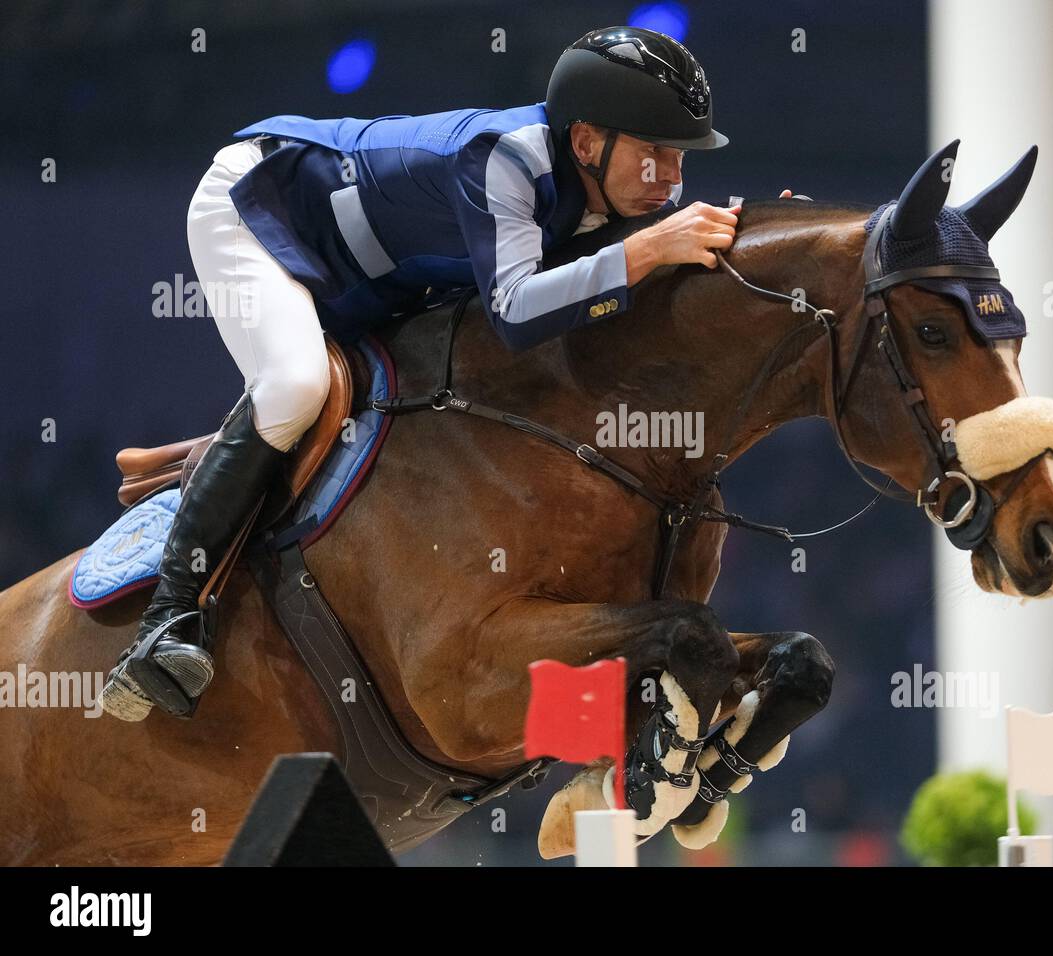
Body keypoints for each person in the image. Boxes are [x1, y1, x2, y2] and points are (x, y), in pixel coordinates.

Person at [99, 25, 797, 722]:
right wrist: (647, 252)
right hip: (258, 209)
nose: (672, 180)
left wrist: (761, 240)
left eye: (679, 158)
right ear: (586, 142)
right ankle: (168, 620)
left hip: (369, 276)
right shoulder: (504, 158)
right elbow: (520, 311)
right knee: (296, 385)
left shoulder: (598, 195)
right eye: (654, 154)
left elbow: (627, 274)